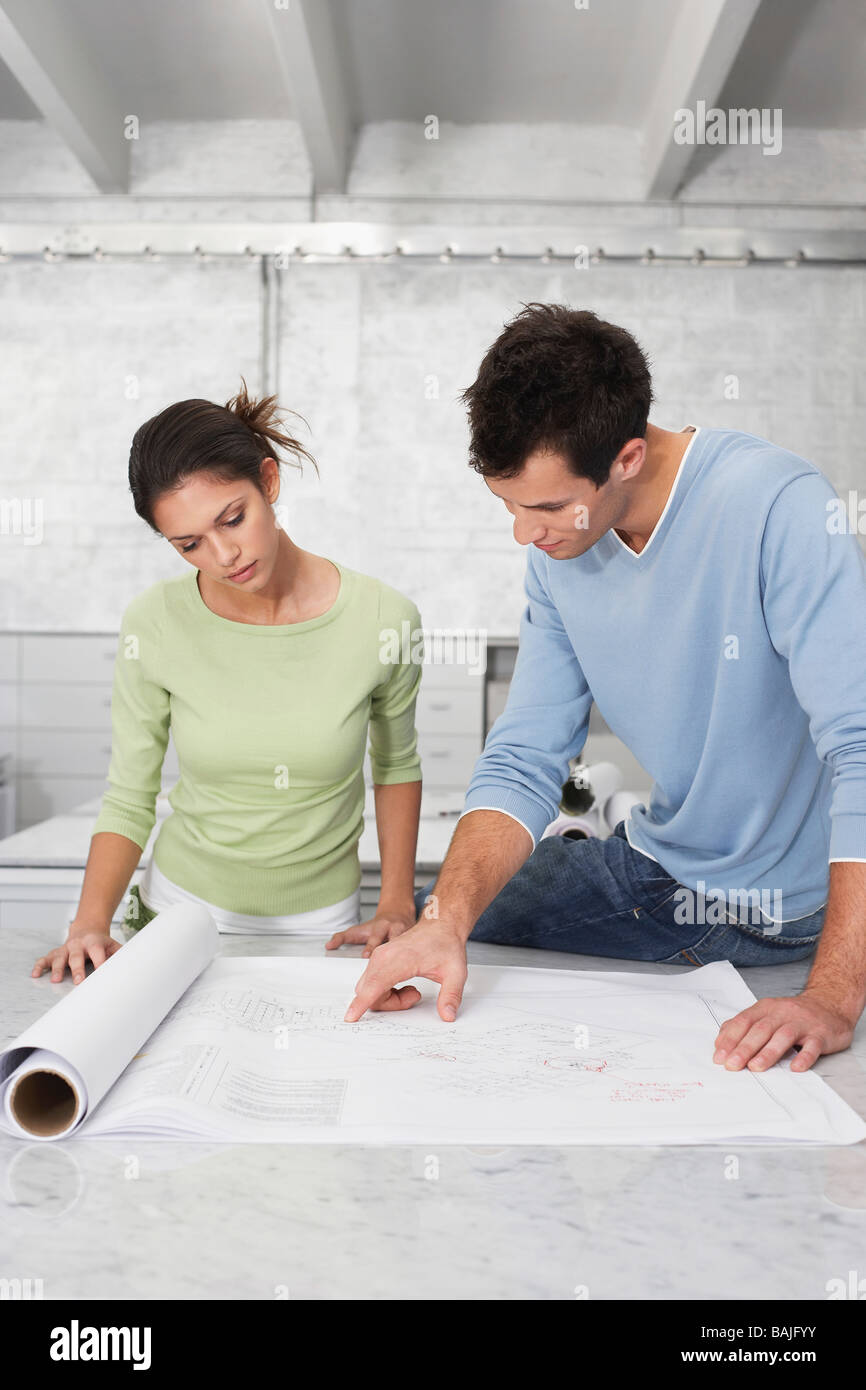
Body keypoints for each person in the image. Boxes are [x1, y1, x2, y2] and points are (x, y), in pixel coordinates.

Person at [332, 303, 866, 1075]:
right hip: (663, 854)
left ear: (627, 457)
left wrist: (833, 995)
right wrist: (445, 918)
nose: (526, 533)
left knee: (464, 914)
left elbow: (860, 746)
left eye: (545, 506)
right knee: (442, 912)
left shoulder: (777, 506)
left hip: (765, 904)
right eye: (508, 505)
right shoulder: (560, 551)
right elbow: (523, 756)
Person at [32, 381, 423, 984]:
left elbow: (395, 766)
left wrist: (396, 902)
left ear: (268, 482)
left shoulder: (383, 618)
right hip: (178, 913)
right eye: (190, 544)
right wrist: (89, 923)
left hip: (324, 925)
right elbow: (129, 794)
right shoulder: (154, 623)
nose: (224, 555)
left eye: (232, 519)